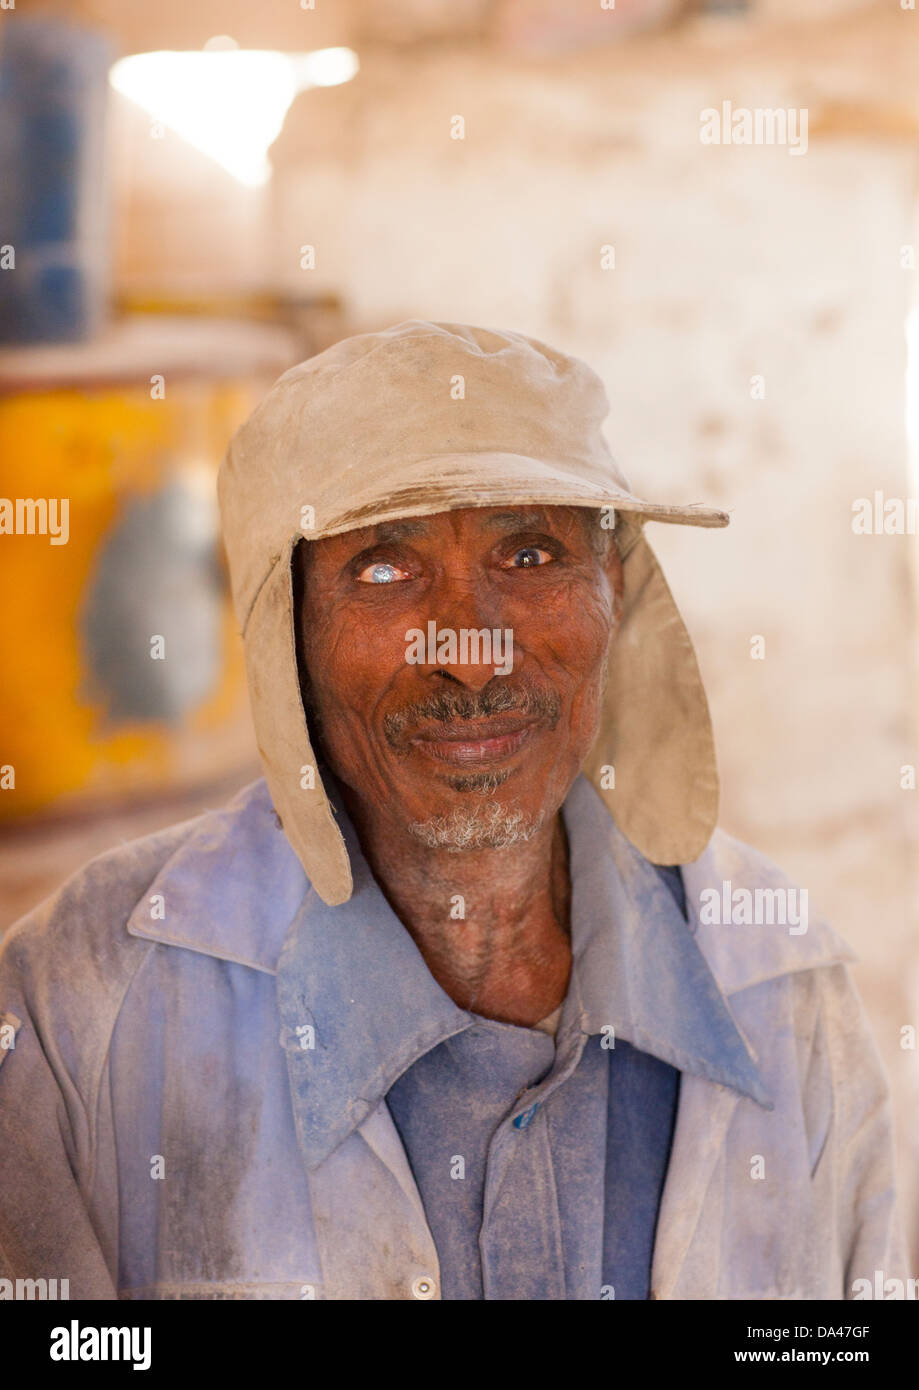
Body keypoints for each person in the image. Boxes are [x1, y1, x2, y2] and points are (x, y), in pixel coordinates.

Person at [0, 321, 908, 1300]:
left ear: (616, 592)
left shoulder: (777, 977)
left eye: (529, 554)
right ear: (287, 632)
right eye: (386, 567)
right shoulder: (82, 1003)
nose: (469, 653)